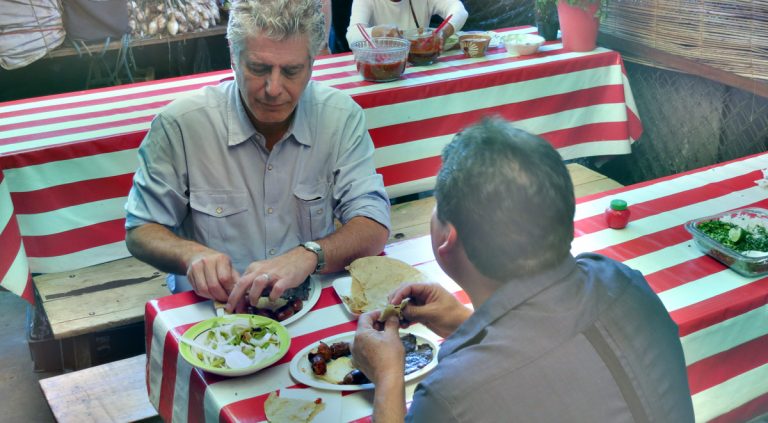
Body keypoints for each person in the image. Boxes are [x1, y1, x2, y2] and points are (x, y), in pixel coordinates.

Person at [352, 117, 695, 422]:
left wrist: (387, 378)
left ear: (448, 237)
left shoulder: (451, 395)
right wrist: (463, 322)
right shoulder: (623, 281)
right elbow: (560, 363)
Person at [124, 0, 390, 313]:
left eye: (291, 71)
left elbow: (373, 224)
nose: (273, 88)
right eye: (259, 68)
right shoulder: (181, 124)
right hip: (209, 313)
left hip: (308, 306)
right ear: (233, 57)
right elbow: (140, 229)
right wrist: (191, 255)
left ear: (313, 63)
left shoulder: (340, 117)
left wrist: (309, 255)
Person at [345, 0, 467, 46]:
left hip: (421, 68)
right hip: (385, 69)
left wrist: (443, 33)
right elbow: (352, 35)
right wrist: (377, 31)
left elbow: (459, 10)